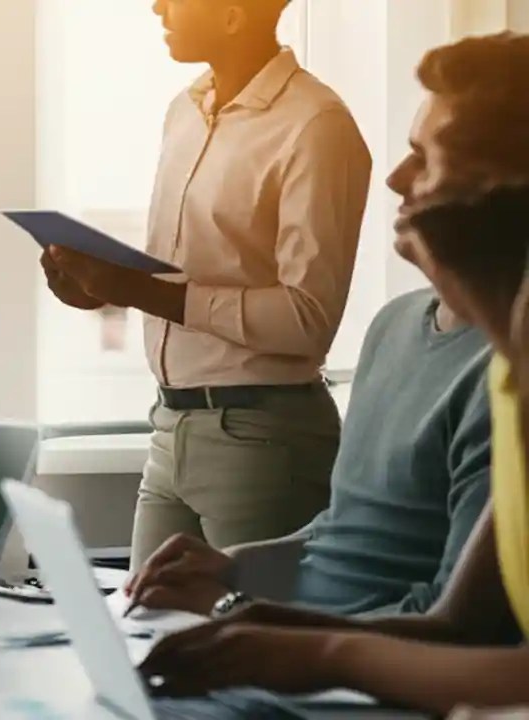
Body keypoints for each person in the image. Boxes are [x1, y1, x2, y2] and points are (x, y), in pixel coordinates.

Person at [136, 33, 529, 715]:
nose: (396, 180)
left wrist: (259, 624)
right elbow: (458, 621)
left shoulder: (495, 366)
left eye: (427, 159)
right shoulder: (437, 341)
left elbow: (465, 639)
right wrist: (241, 596)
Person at [42, 0, 373, 565]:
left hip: (264, 438)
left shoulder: (317, 125)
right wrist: (97, 289)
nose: (156, 7)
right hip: (170, 427)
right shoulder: (185, 110)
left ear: (232, 15)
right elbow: (185, 275)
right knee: (150, 632)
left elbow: (308, 320)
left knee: (254, 645)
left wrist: (140, 292)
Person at [124, 282, 491, 617]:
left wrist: (236, 613)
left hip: (343, 660)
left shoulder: (503, 368)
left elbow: (453, 623)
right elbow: (340, 530)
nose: (402, 203)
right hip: (292, 629)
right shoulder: (394, 322)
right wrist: (231, 566)